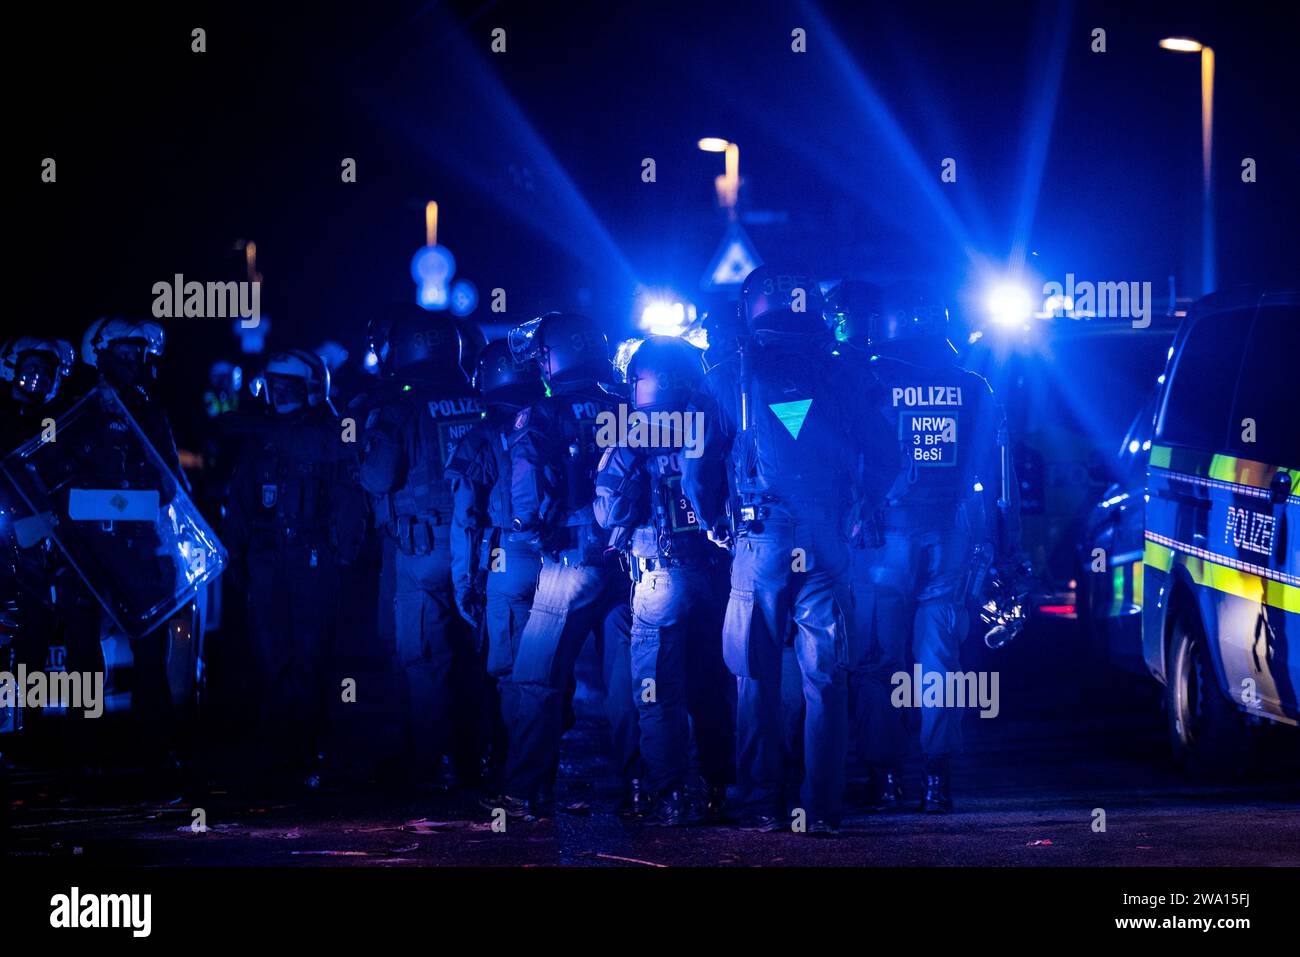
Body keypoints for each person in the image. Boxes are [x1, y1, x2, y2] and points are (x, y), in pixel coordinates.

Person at [682, 266, 893, 834]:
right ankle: (821, 809)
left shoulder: (729, 372)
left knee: (754, 675)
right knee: (827, 679)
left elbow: (697, 460)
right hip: (827, 541)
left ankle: (760, 805)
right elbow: (890, 453)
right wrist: (862, 508)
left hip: (760, 540)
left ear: (752, 307)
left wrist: (710, 522)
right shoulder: (846, 369)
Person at [852, 281, 1025, 813]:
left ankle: (884, 780)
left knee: (880, 660)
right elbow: (1000, 478)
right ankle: (936, 781)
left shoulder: (870, 381)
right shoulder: (976, 389)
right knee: (939, 661)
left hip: (885, 542)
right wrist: (1008, 551)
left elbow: (848, 462)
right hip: (954, 536)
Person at [495, 312, 640, 821]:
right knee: (628, 684)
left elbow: (526, 495)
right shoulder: (625, 402)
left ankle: (524, 791)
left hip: (571, 560)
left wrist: (532, 534)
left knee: (536, 677)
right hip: (626, 563)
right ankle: (638, 786)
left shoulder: (540, 414)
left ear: (554, 358)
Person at [594, 335, 735, 826]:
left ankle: (669, 794)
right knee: (711, 685)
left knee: (656, 693)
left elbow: (607, 509)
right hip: (717, 576)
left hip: (658, 582)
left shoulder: (628, 432)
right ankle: (719, 788)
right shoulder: (718, 420)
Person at [357, 306, 488, 790]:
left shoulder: (396, 402)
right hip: (477, 546)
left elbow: (378, 476)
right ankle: (476, 759)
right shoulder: (475, 396)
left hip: (422, 547)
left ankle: (431, 764)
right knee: (475, 654)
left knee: (424, 658)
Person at [223, 349, 365, 785]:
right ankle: (278, 751)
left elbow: (349, 499)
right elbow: (240, 501)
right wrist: (235, 555)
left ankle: (309, 751)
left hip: (312, 559)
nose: (279, 392)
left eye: (289, 385)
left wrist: (345, 558)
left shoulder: (332, 432)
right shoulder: (258, 438)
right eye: (274, 384)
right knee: (270, 658)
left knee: (310, 659)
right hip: (266, 559)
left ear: (311, 388)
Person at [444, 339, 545, 789]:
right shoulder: (547, 417)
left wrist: (463, 585)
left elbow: (465, 519)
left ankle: (512, 768)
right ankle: (543, 765)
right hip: (558, 557)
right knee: (547, 667)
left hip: (506, 558)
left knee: (507, 670)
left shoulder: (481, 436)